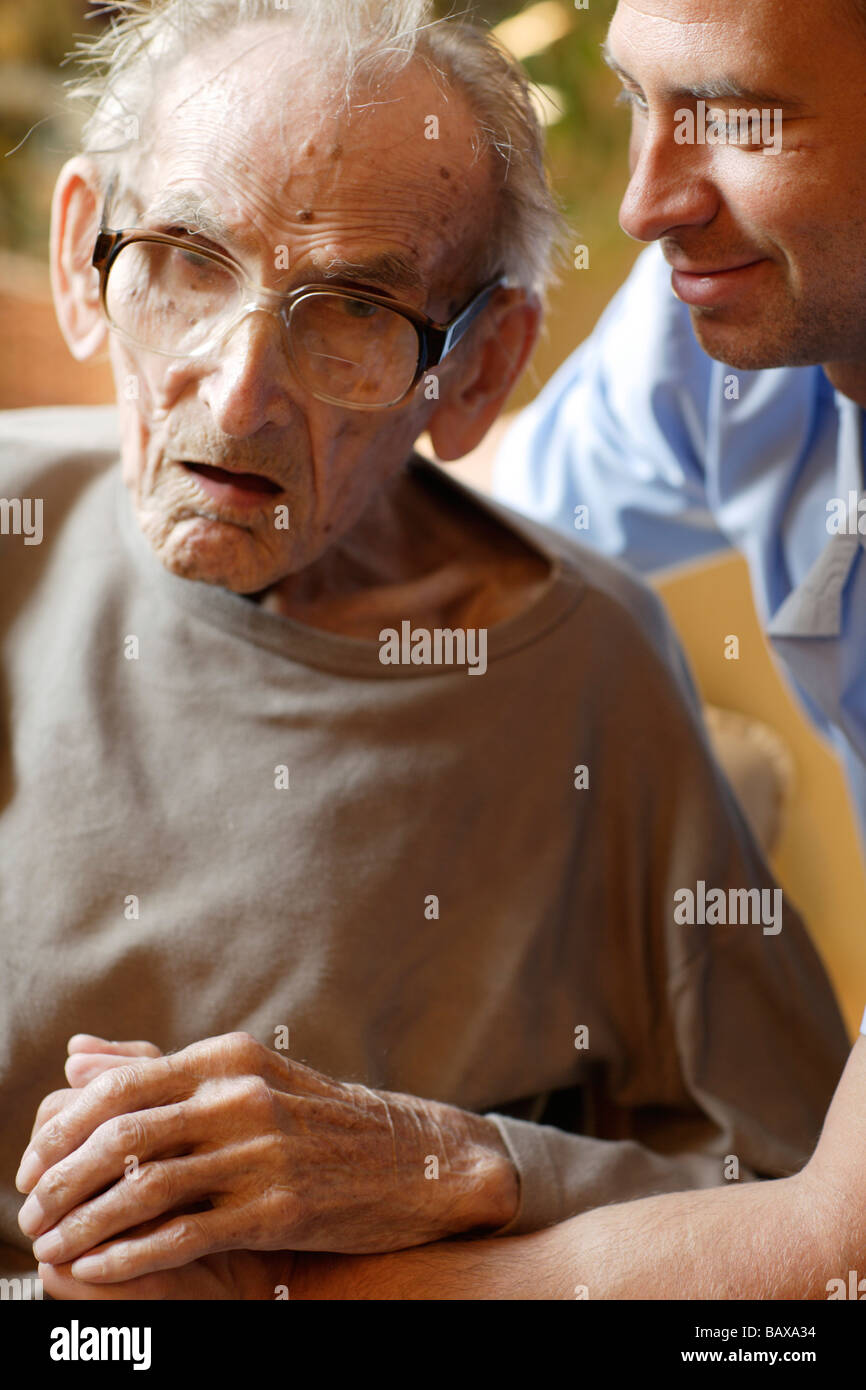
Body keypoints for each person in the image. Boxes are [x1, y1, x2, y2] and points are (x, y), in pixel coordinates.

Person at [3, 0, 847, 1293]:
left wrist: (457, 1166)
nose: (237, 397)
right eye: (182, 257)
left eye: (351, 311)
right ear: (80, 258)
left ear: (478, 369)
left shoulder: (584, 669)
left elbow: (805, 1205)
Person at [494, 0, 866, 846]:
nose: (644, 207)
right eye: (637, 100)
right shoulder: (721, 331)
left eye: (738, 121)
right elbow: (498, 514)